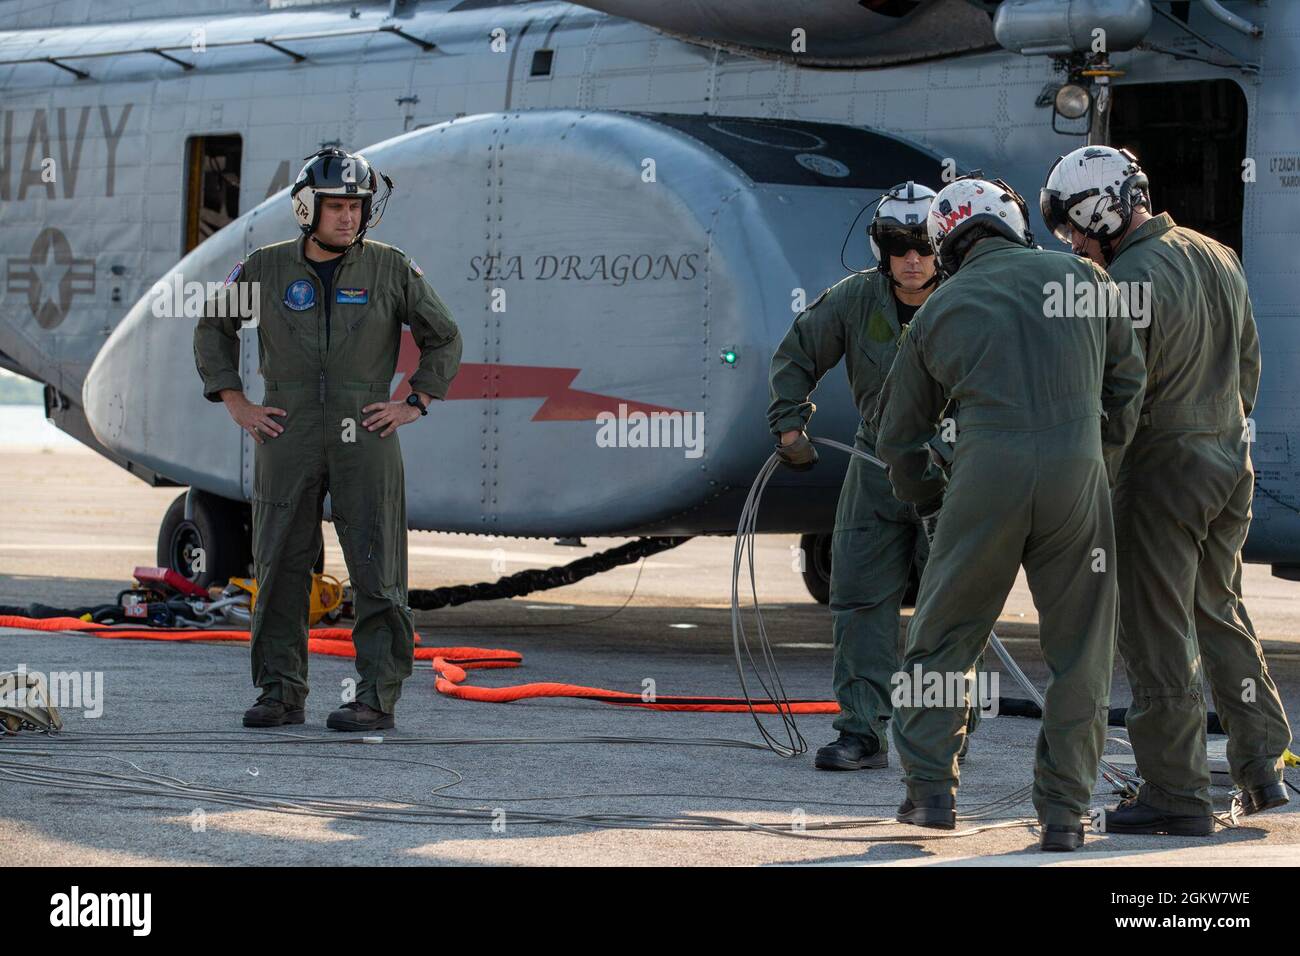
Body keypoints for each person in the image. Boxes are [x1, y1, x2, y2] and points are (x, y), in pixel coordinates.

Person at [875, 176, 1146, 851]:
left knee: (942, 640)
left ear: (947, 243)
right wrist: (1095, 456)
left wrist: (930, 498)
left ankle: (931, 795)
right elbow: (1129, 383)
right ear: (1011, 221)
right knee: (1081, 650)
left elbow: (898, 437)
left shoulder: (940, 309)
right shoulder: (1086, 279)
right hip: (1075, 479)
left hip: (984, 482)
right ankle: (1063, 814)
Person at [1042, 145, 1292, 834]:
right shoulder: (1218, 255)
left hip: (1161, 472)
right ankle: (1262, 769)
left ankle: (1176, 794)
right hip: (1226, 463)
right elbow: (1249, 365)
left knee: (1156, 630)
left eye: (1072, 228)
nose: (1073, 243)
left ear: (1099, 211)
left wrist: (1088, 477)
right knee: (1219, 609)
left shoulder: (1124, 283)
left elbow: (1116, 399)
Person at [194, 147, 462, 732]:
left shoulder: (391, 269)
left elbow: (445, 337)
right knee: (280, 562)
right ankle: (280, 693)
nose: (347, 217)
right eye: (336, 205)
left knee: (377, 567)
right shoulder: (264, 269)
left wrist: (414, 401)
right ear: (306, 208)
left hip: (365, 431)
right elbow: (213, 327)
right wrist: (236, 402)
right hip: (285, 432)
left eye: (356, 206)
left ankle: (375, 698)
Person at [768, 182, 977, 771]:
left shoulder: (972, 299)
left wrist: (954, 445)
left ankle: (945, 732)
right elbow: (798, 353)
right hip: (876, 466)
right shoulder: (856, 300)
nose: (912, 259)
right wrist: (788, 425)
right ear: (879, 249)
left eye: (924, 245)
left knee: (954, 603)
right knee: (859, 597)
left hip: (951, 472)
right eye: (897, 246)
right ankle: (862, 730)